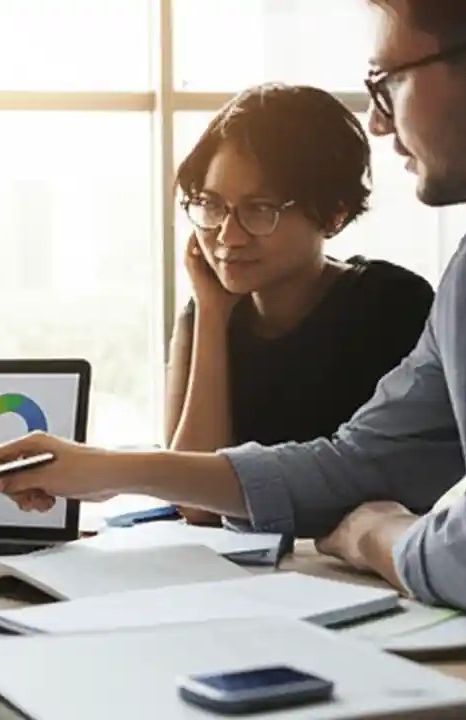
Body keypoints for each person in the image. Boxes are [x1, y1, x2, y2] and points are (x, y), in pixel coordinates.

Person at [0, 0, 466, 625]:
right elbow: (354, 464)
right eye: (211, 206)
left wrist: (375, 537)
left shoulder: (410, 295)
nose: (379, 125)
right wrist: (107, 469)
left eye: (387, 84)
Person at [166, 84, 434, 525]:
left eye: (259, 209)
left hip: (358, 565)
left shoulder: (390, 305)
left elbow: (389, 486)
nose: (229, 237)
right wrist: (212, 316)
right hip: (243, 574)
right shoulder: (204, 316)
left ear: (334, 213)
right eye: (212, 206)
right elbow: (194, 504)